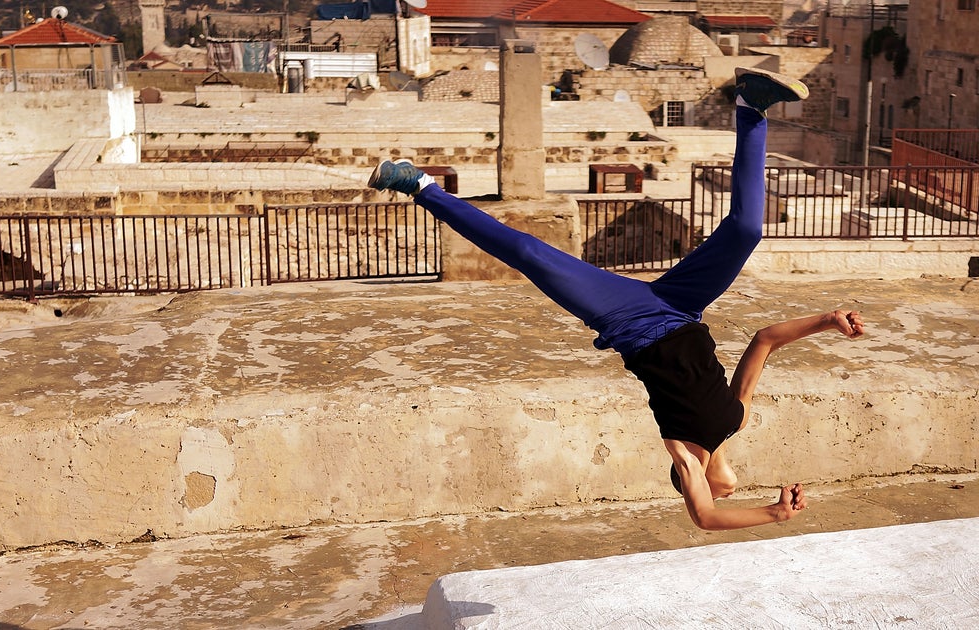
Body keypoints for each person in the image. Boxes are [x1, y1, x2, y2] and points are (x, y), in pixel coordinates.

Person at [367, 67, 866, 531]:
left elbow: (707, 519)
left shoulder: (685, 455)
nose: (728, 489)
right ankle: (751, 107)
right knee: (746, 230)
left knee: (527, 252)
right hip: (680, 305)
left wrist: (774, 514)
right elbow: (764, 341)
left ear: (694, 484)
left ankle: (418, 184)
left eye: (714, 491)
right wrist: (827, 319)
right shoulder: (735, 418)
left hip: (627, 319)